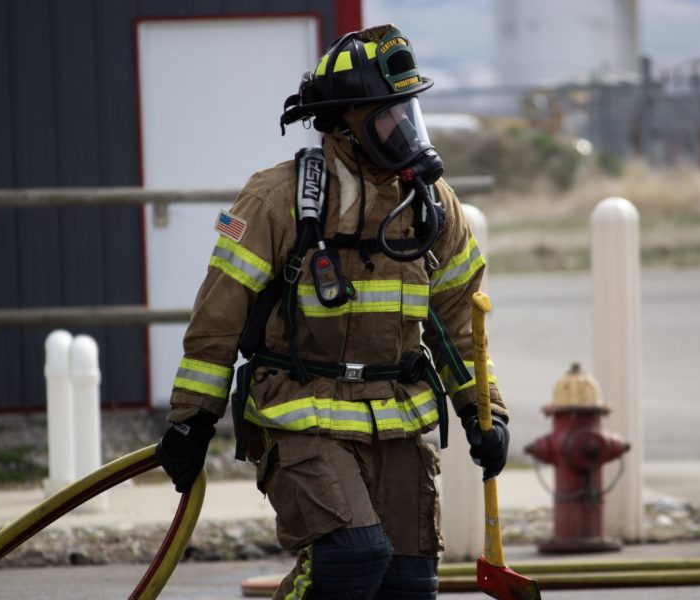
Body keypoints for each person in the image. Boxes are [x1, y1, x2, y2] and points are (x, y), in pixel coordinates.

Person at [156, 24, 510, 599]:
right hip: (299, 416)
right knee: (350, 560)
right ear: (345, 123)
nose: (405, 133)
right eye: (387, 119)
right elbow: (217, 318)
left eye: (408, 115)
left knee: (408, 582)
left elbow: (462, 324)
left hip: (395, 421)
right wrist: (192, 418)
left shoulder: (432, 206)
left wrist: (483, 412)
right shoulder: (273, 199)